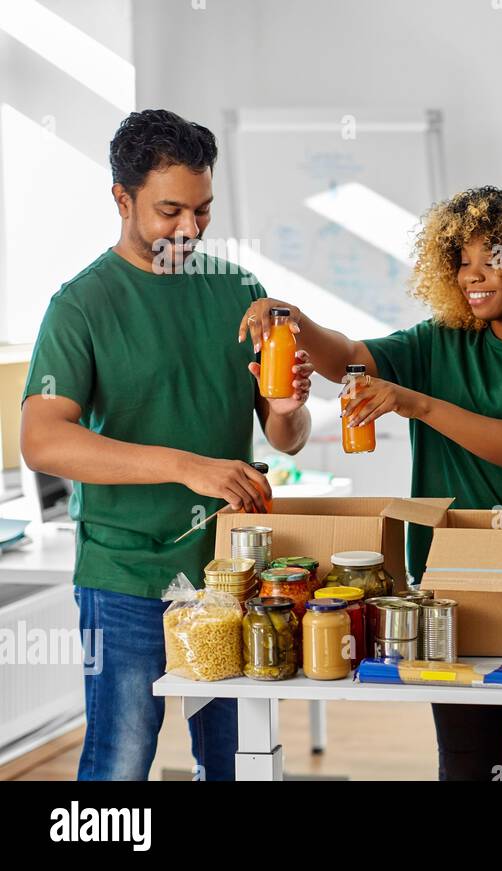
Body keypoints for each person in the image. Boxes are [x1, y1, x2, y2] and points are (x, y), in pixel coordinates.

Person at [239, 186, 502, 780]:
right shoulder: (441, 339)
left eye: (490, 259)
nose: (472, 276)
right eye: (462, 263)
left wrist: (417, 403)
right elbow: (347, 359)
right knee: (466, 764)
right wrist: (291, 317)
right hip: (450, 583)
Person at [20, 109, 313, 781]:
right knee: (121, 760)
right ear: (121, 198)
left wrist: (291, 403)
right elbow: (41, 439)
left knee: (237, 758)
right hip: (125, 573)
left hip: (230, 573)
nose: (190, 229)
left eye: (204, 211)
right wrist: (189, 469)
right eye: (170, 210)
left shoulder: (238, 292)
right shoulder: (83, 305)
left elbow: (285, 435)